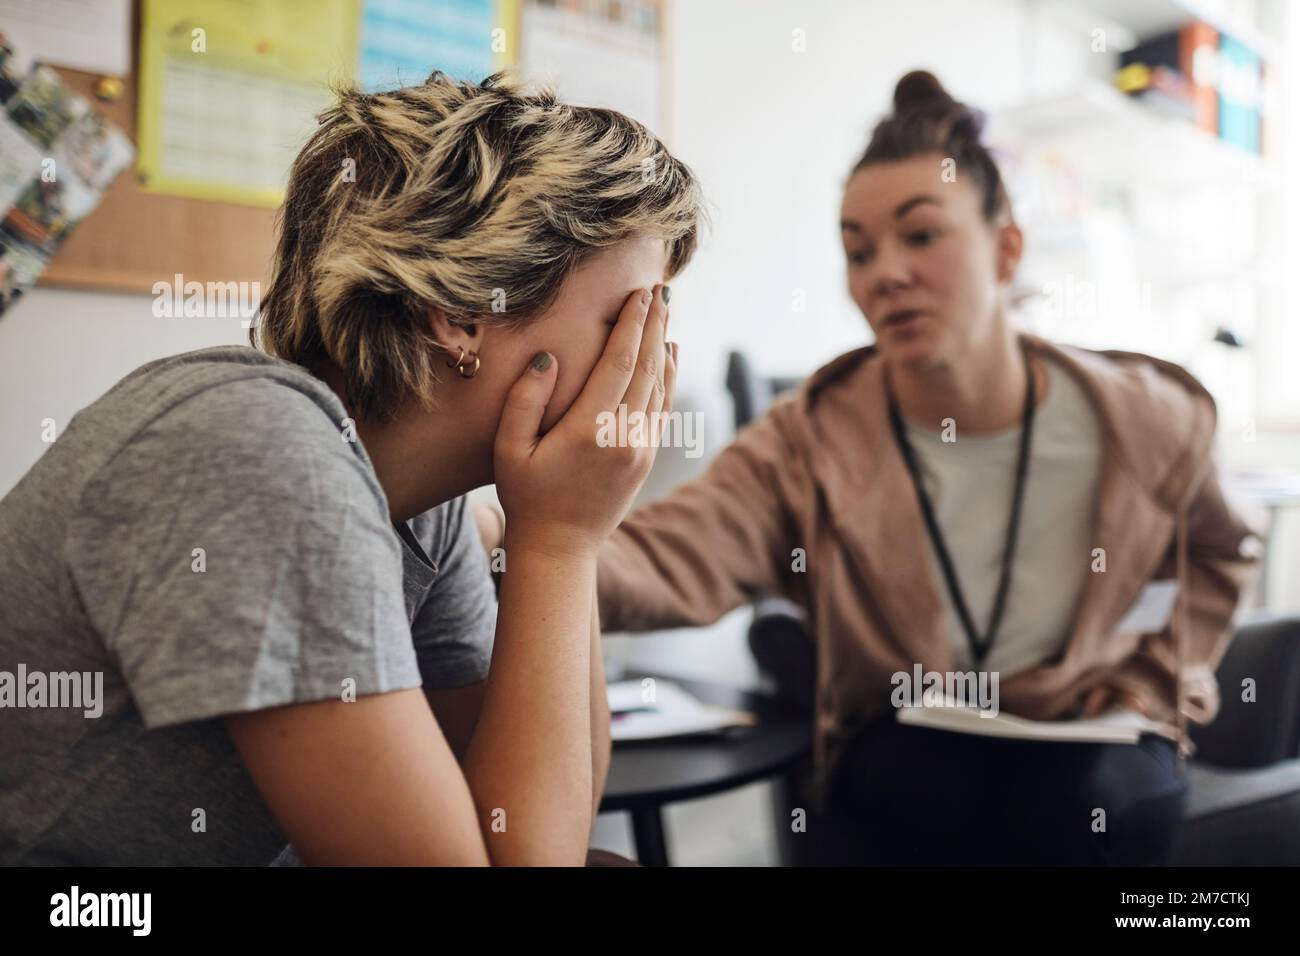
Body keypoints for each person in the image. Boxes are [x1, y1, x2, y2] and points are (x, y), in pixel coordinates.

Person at [0, 70, 702, 865]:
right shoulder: (257, 447)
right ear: (465, 315)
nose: (648, 361)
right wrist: (560, 543)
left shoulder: (418, 505)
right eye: (629, 317)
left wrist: (552, 539)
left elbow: (533, 832)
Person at [590, 71, 1260, 865]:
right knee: (917, 794)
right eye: (857, 250)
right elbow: (672, 552)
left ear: (1006, 248)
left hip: (1091, 731)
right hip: (913, 736)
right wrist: (505, 536)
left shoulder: (1142, 416)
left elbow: (1219, 553)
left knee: (1090, 803)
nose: (885, 273)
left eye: (921, 235)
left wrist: (1154, 681)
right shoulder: (813, 433)